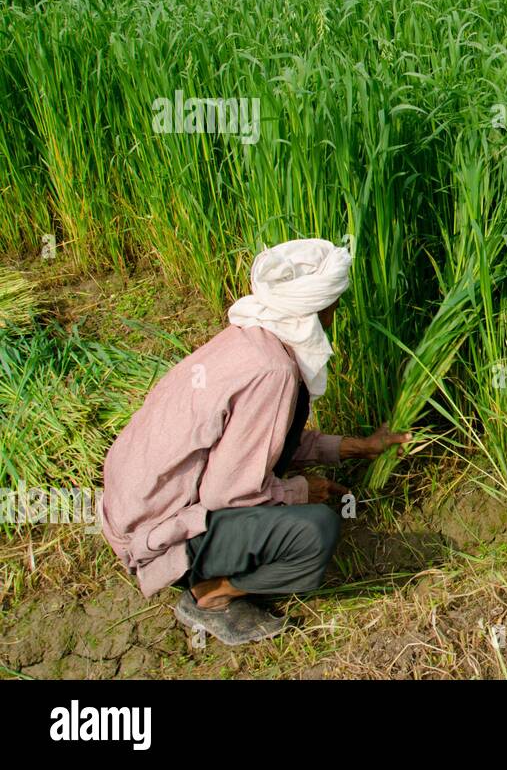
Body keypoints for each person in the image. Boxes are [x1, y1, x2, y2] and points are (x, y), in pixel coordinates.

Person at [99, 238, 410, 646]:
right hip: (156, 533)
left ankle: (211, 568)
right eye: (336, 302)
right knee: (314, 533)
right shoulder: (274, 370)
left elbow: (264, 442)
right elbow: (226, 492)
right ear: (320, 308)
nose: (338, 311)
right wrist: (302, 491)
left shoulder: (249, 338)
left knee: (293, 512)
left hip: (130, 510)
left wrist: (356, 447)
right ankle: (211, 595)